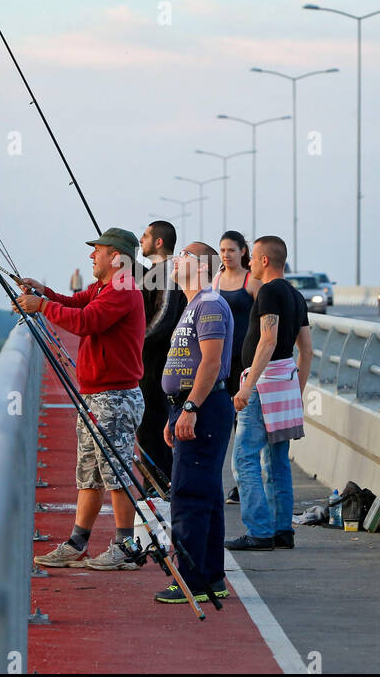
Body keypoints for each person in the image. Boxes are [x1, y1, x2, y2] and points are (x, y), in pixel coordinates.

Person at [16, 228, 147, 570]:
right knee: (90, 473)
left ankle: (125, 547)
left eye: (98, 251)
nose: (92, 256)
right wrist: (45, 293)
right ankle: (78, 543)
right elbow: (76, 303)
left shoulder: (122, 289)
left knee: (117, 473)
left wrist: (40, 305)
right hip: (97, 397)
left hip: (115, 398)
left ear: (116, 257)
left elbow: (86, 321)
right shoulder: (105, 288)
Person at [156, 242, 234, 604]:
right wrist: (176, 412)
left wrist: (189, 407)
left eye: (184, 255)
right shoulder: (193, 305)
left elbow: (212, 363)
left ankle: (189, 581)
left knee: (188, 495)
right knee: (207, 496)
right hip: (190, 408)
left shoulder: (210, 304)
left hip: (202, 408)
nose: (175, 260)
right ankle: (210, 578)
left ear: (202, 265)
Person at [226, 235, 312, 552]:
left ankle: (259, 532)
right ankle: (281, 531)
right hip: (284, 385)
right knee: (277, 461)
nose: (248, 264)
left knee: (244, 459)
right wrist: (296, 391)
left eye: (252, 259)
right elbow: (308, 351)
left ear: (264, 260)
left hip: (263, 385)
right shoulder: (296, 295)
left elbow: (268, 340)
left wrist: (247, 386)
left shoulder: (270, 292)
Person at [136, 221, 186, 492]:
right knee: (149, 430)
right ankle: (155, 487)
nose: (140, 240)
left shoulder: (166, 272)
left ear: (158, 242)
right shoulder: (155, 272)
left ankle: (158, 489)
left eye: (145, 236)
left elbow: (164, 318)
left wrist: (135, 342)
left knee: (152, 429)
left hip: (158, 365)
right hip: (152, 363)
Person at [216, 230, 259, 504]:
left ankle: (242, 485)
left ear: (243, 251)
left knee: (243, 424)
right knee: (222, 419)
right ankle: (227, 481)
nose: (226, 255)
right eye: (222, 250)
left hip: (246, 360)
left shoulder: (251, 281)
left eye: (231, 250)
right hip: (221, 360)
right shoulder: (215, 280)